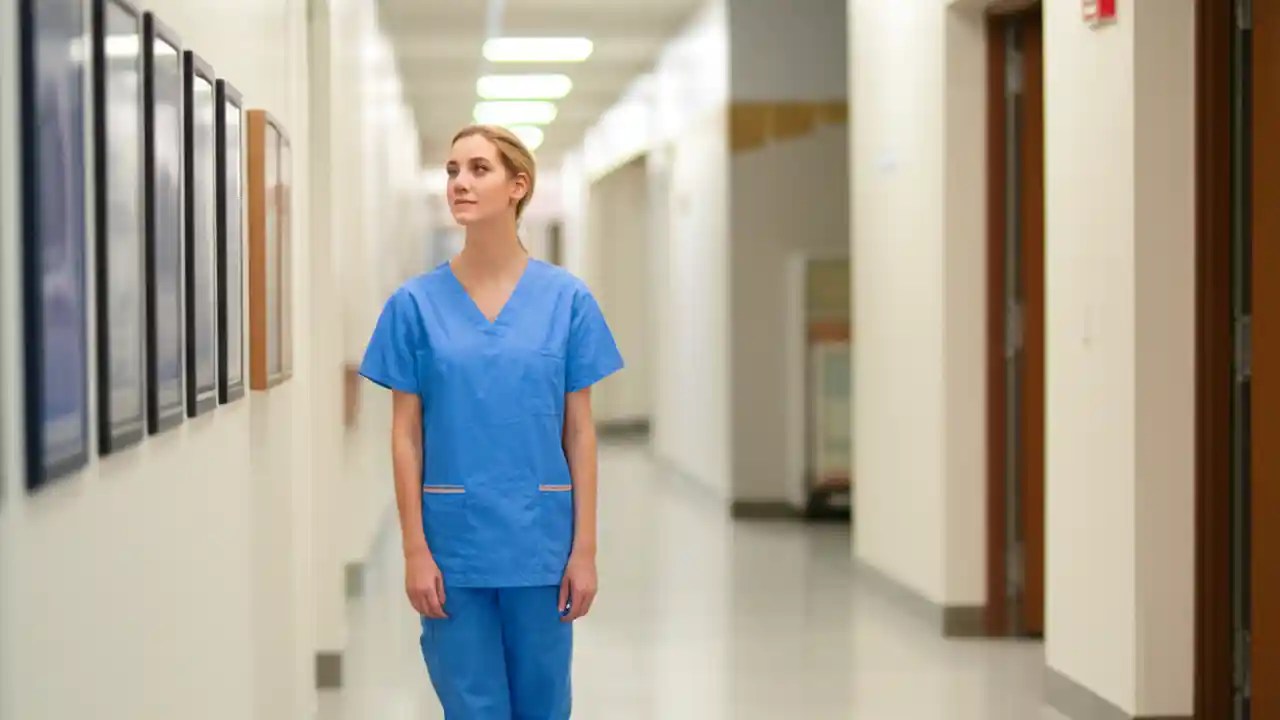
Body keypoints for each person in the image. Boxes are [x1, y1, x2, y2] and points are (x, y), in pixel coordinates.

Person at [358, 124, 624, 719]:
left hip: (541, 542)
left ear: (517, 187)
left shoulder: (567, 301)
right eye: (452, 170)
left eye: (478, 169)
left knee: (543, 705)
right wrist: (414, 550)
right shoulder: (415, 306)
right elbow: (405, 433)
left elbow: (580, 431)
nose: (459, 183)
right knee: (472, 707)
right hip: (454, 545)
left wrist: (585, 550)